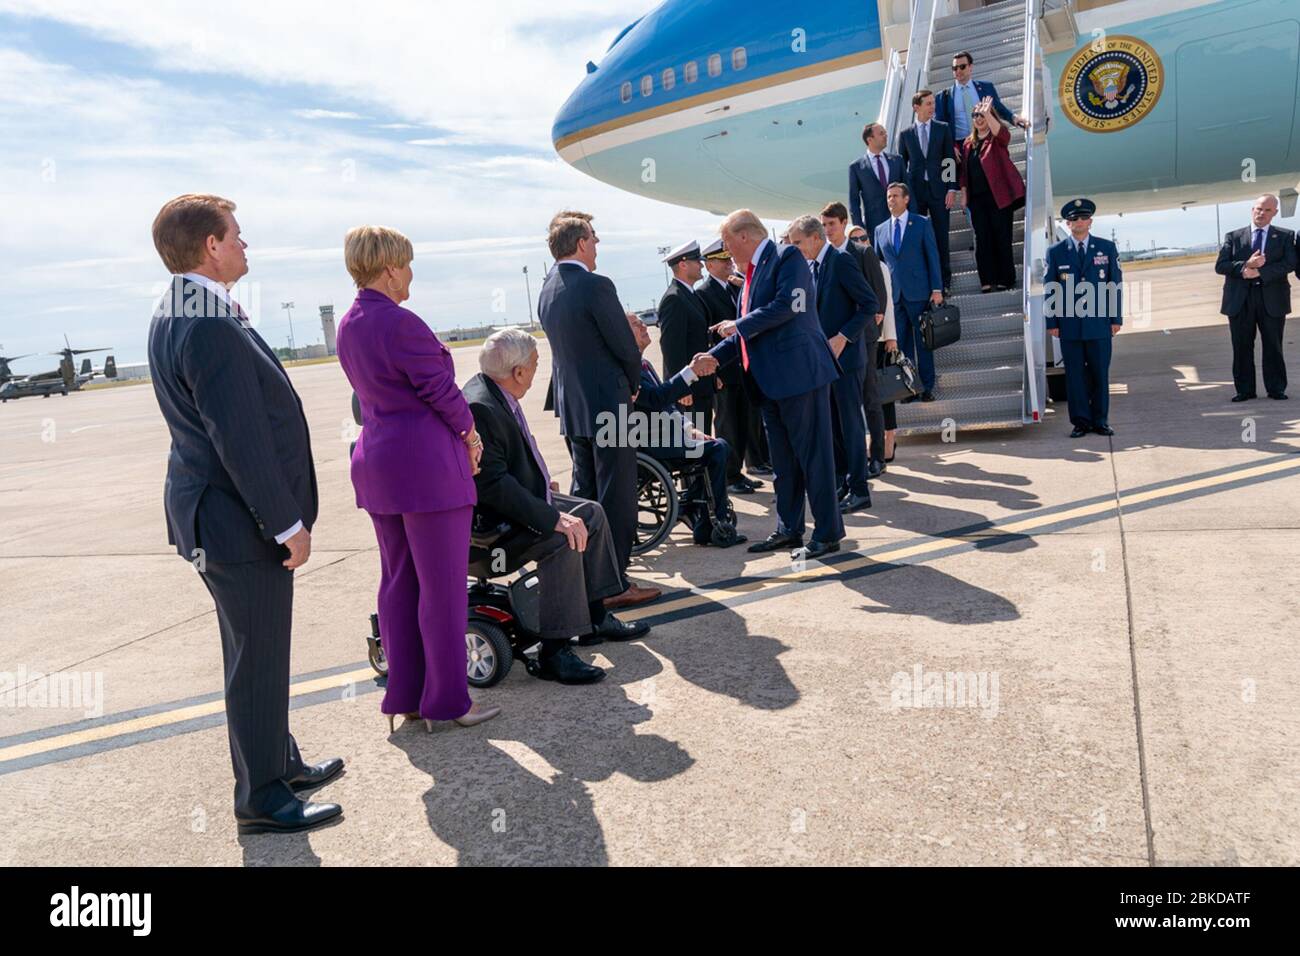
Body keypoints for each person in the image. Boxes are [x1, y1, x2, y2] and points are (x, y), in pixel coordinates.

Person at [147, 194, 342, 835]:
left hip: (215, 516)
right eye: (237, 235)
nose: (245, 245)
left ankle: (277, 761)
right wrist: (285, 522)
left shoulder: (180, 308)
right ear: (210, 245)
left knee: (255, 648)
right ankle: (262, 797)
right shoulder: (204, 321)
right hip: (236, 521)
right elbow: (239, 435)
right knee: (256, 655)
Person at [336, 225, 501, 734]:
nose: (409, 274)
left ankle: (405, 695)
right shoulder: (400, 323)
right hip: (426, 468)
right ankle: (449, 700)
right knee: (444, 588)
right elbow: (443, 393)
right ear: (389, 268)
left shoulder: (349, 323)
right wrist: (472, 436)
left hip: (379, 464)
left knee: (398, 582)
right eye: (406, 264)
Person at [463, 329, 651, 685]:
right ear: (518, 372)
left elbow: (507, 467)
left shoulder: (495, 393)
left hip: (513, 505)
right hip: (490, 529)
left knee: (591, 513)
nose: (538, 371)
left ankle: (595, 618)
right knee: (564, 538)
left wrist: (541, 485)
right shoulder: (481, 407)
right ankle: (555, 650)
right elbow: (490, 486)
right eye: (535, 364)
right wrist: (553, 518)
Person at [538, 212, 660, 609]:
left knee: (587, 495)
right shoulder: (595, 285)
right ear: (580, 244)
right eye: (594, 238)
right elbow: (625, 346)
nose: (598, 244)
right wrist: (635, 384)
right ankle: (614, 582)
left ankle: (589, 576)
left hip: (574, 408)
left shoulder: (548, 288)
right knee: (618, 496)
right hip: (609, 407)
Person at [707, 209, 844, 559]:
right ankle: (789, 529)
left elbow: (789, 306)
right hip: (770, 384)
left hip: (800, 377)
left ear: (744, 237)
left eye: (726, 243)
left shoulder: (787, 257)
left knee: (814, 458)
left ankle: (827, 533)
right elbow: (744, 332)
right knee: (783, 464)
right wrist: (713, 358)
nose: (725, 252)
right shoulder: (749, 276)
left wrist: (738, 326)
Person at [626, 312, 745, 547]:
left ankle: (694, 509)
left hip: (664, 438)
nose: (642, 325)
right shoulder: (629, 368)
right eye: (635, 324)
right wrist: (691, 371)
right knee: (717, 450)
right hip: (652, 446)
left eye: (642, 321)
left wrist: (690, 428)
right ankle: (711, 521)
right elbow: (657, 399)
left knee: (715, 445)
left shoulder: (644, 364)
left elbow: (668, 407)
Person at [788, 215, 878, 513]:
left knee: (851, 425)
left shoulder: (840, 261)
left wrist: (843, 337)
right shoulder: (812, 267)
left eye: (798, 242)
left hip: (847, 359)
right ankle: (843, 481)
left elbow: (869, 303)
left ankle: (860, 489)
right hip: (824, 362)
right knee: (835, 426)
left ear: (815, 238)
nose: (796, 249)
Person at [1043, 198, 1123, 437]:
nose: (1079, 222)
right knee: (1075, 377)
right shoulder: (1056, 252)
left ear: (1090, 221)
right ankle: (1080, 422)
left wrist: (1115, 318)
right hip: (1070, 326)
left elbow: (1114, 285)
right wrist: (1052, 322)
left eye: (1083, 218)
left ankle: (1100, 420)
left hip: (1099, 324)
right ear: (1067, 223)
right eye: (1074, 219)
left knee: (1100, 373)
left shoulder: (1106, 248)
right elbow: (1051, 288)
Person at [825, 206, 893, 475]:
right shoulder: (826, 257)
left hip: (862, 339)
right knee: (844, 403)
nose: (828, 230)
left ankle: (877, 456)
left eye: (832, 224)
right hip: (834, 342)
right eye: (824, 225)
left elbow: (877, 297)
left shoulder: (863, 253)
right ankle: (851, 461)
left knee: (870, 398)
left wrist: (872, 325)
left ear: (844, 223)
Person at [696, 237, 765, 494]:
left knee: (744, 421)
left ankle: (739, 472)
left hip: (742, 367)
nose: (728, 265)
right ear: (710, 265)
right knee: (727, 425)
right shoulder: (704, 294)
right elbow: (707, 335)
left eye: (728, 259)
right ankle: (729, 475)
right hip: (724, 370)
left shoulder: (734, 288)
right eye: (722, 261)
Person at [1215, 194, 1295, 401]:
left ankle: (1276, 388)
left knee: (1273, 346)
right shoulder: (1233, 236)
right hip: (1240, 300)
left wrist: (1261, 272)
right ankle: (1245, 390)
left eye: (1267, 210)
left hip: (1272, 299)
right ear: (1252, 210)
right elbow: (1221, 265)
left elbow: (1289, 264)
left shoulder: (1285, 236)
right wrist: (1245, 267)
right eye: (1259, 209)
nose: (1262, 213)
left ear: (1275, 213)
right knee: (1241, 346)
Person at [875, 182, 944, 402]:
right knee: (902, 345)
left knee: (924, 344)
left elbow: (932, 257)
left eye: (895, 196)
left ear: (906, 199)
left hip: (919, 293)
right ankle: (908, 388)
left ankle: (927, 387)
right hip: (894, 298)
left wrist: (936, 288)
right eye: (888, 196)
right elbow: (879, 267)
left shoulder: (922, 223)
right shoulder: (880, 230)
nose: (891, 200)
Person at [959, 97, 1025, 293]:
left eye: (982, 115)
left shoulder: (997, 138)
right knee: (982, 239)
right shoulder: (968, 143)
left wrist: (988, 112)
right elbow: (963, 171)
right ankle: (987, 280)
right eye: (975, 115)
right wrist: (963, 192)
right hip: (977, 200)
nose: (978, 119)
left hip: (999, 197)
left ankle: (1006, 279)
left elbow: (1004, 134)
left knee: (1002, 237)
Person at [898, 89, 959, 292]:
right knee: (919, 239)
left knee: (941, 237)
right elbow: (902, 167)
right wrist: (904, 197)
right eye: (929, 104)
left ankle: (944, 282)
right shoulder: (906, 134)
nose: (933, 107)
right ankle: (925, 283)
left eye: (933, 103)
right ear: (917, 107)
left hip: (939, 192)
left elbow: (949, 159)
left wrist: (951, 188)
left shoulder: (942, 128)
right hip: (916, 195)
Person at [657, 239, 715, 433]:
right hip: (688, 388)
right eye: (696, 261)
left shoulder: (689, 295)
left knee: (702, 440)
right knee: (693, 446)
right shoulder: (674, 299)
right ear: (683, 265)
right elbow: (671, 347)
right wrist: (680, 386)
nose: (701, 265)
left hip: (701, 384)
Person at [935, 50, 1027, 139]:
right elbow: (940, 127)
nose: (958, 70)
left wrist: (1014, 118)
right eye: (955, 68)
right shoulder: (943, 97)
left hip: (985, 141)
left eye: (962, 66)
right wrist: (950, 147)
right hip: (961, 147)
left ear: (971, 67)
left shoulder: (986, 88)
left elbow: (999, 109)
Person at [848, 122, 905, 239]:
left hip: (901, 220)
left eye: (885, 132)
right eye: (881, 133)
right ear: (870, 140)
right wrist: (859, 229)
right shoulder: (856, 167)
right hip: (874, 227)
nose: (886, 135)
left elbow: (909, 191)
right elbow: (854, 201)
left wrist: (913, 216)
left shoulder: (897, 161)